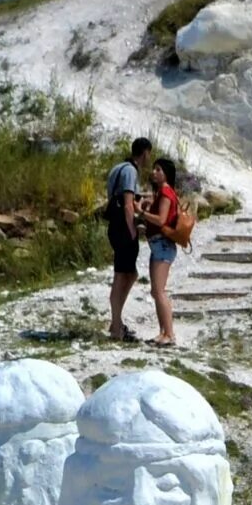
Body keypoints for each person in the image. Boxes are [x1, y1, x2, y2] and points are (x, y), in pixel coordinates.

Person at [104, 135, 150, 339]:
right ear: (145, 153)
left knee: (128, 274)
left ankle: (117, 322)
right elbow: (128, 202)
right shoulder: (131, 171)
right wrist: (132, 228)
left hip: (114, 226)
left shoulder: (118, 168)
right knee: (122, 275)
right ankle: (116, 325)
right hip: (123, 228)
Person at [137, 155, 183, 346]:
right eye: (154, 169)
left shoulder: (165, 192)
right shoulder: (165, 192)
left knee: (159, 291)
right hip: (159, 245)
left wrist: (141, 212)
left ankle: (169, 334)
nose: (154, 173)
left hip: (162, 245)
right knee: (156, 292)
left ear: (166, 174)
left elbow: (161, 220)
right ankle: (163, 332)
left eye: (159, 170)